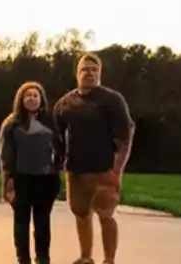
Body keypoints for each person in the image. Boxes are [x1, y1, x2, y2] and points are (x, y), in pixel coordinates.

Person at [53, 53, 135, 264]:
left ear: (99, 74)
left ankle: (109, 260)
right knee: (81, 215)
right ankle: (86, 256)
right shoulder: (64, 104)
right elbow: (57, 137)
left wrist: (117, 169)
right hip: (75, 170)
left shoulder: (112, 100)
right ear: (77, 74)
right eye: (84, 69)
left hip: (104, 170)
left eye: (94, 69)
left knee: (106, 216)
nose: (89, 73)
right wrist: (59, 163)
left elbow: (125, 136)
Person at [0, 81, 62, 264]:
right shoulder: (11, 124)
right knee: (21, 223)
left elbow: (60, 147)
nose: (32, 98)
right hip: (21, 180)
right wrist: (7, 180)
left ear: (41, 99)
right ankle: (23, 258)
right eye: (28, 95)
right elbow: (5, 154)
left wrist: (58, 166)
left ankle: (43, 258)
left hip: (46, 180)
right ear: (21, 99)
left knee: (43, 223)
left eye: (35, 95)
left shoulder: (51, 122)